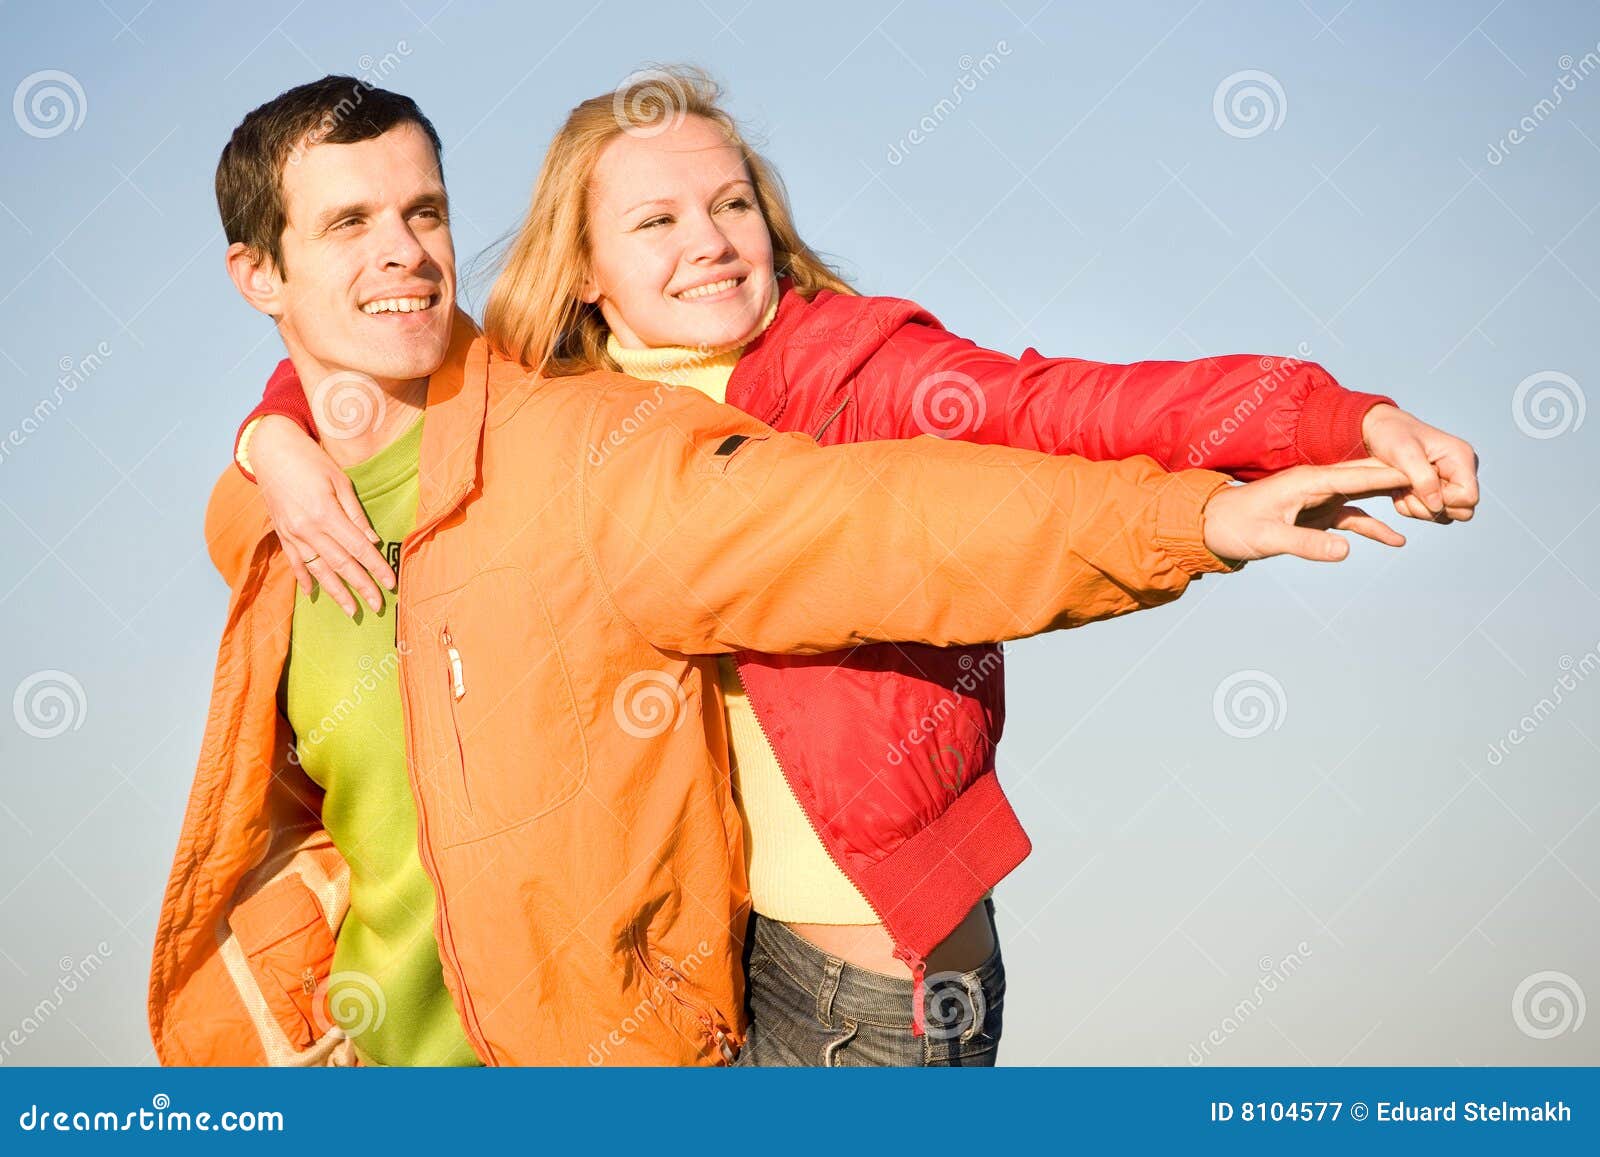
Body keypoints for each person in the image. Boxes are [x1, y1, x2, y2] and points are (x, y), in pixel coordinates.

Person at [150, 73, 1434, 1069]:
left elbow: (948, 490)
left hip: (847, 960)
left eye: (424, 212)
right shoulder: (289, 502)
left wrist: (1229, 493)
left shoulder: (757, 401)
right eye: (352, 223)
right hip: (561, 998)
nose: (405, 252)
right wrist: (277, 434)